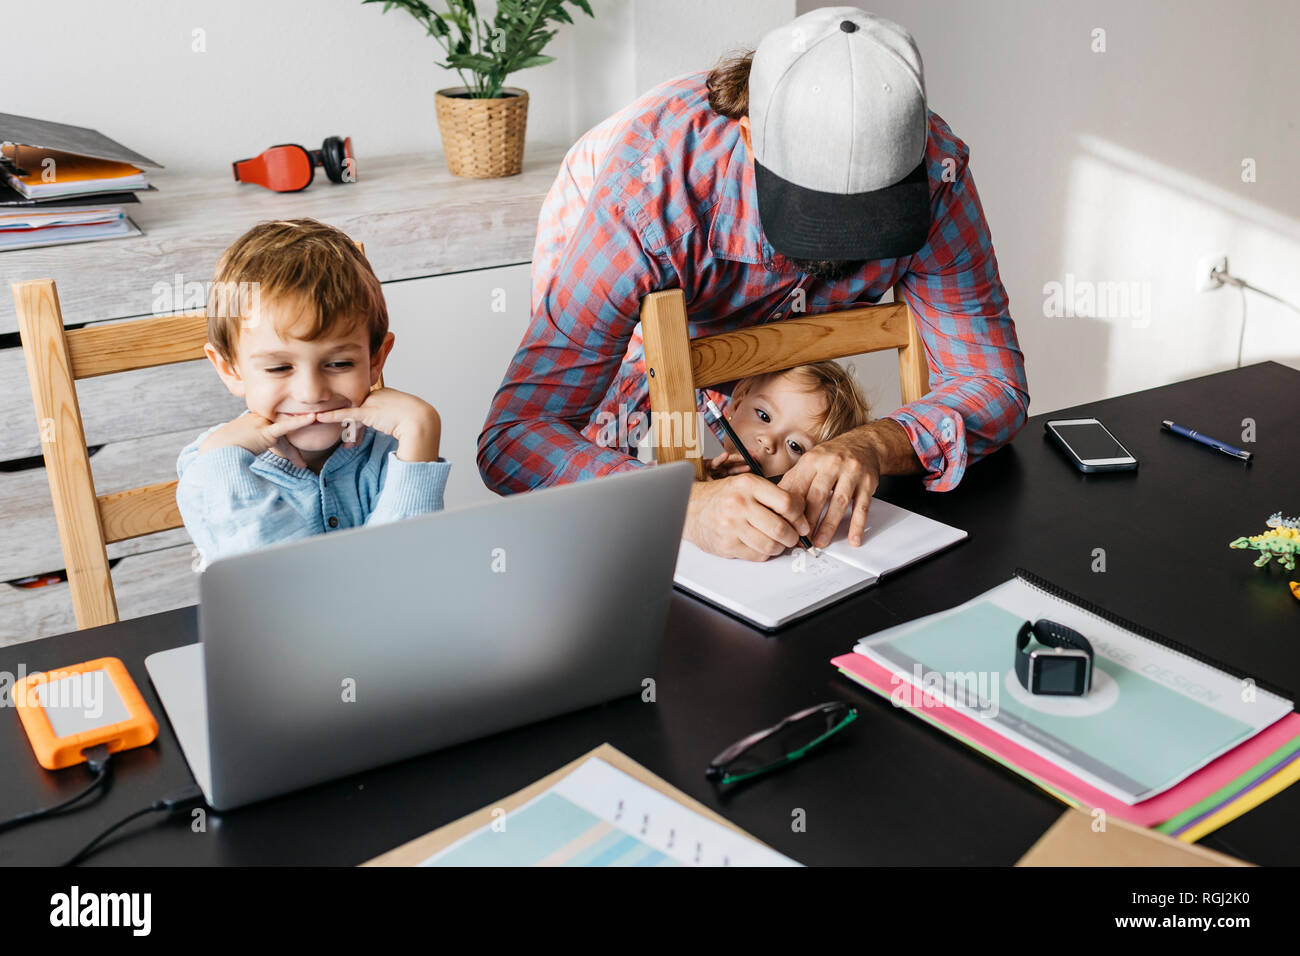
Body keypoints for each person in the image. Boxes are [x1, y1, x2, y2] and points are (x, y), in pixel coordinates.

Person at [478, 7, 1029, 563]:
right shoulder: (643, 192)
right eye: (816, 218)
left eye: (872, 219)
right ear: (749, 139)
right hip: (636, 221)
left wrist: (872, 443)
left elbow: (993, 382)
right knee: (606, 469)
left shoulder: (937, 172)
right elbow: (517, 436)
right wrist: (686, 506)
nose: (844, 246)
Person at [177, 219, 450, 567]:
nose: (311, 393)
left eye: (338, 364)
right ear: (230, 369)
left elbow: (407, 580)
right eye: (279, 368)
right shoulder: (209, 467)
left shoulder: (393, 453)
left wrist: (420, 435)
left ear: (375, 359)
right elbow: (279, 588)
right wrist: (220, 456)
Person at [707, 362, 873, 481]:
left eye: (795, 446)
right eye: (764, 416)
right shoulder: (699, 477)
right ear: (736, 405)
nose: (768, 441)